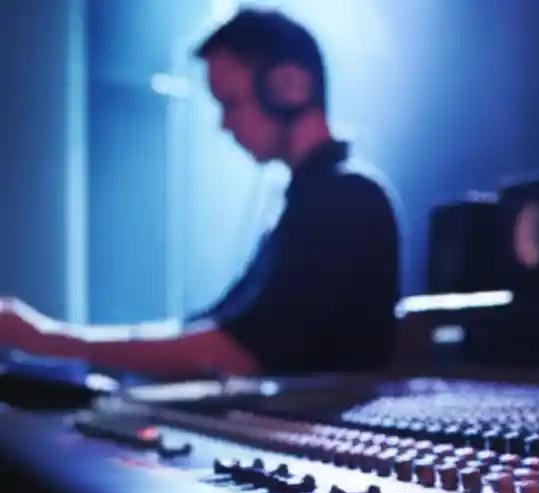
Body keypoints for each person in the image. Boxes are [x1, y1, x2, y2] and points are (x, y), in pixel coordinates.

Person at [0, 9, 401, 379]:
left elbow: (237, 352)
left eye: (231, 103)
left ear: (289, 87)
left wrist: (48, 338)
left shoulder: (348, 200)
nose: (224, 125)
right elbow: (215, 327)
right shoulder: (308, 200)